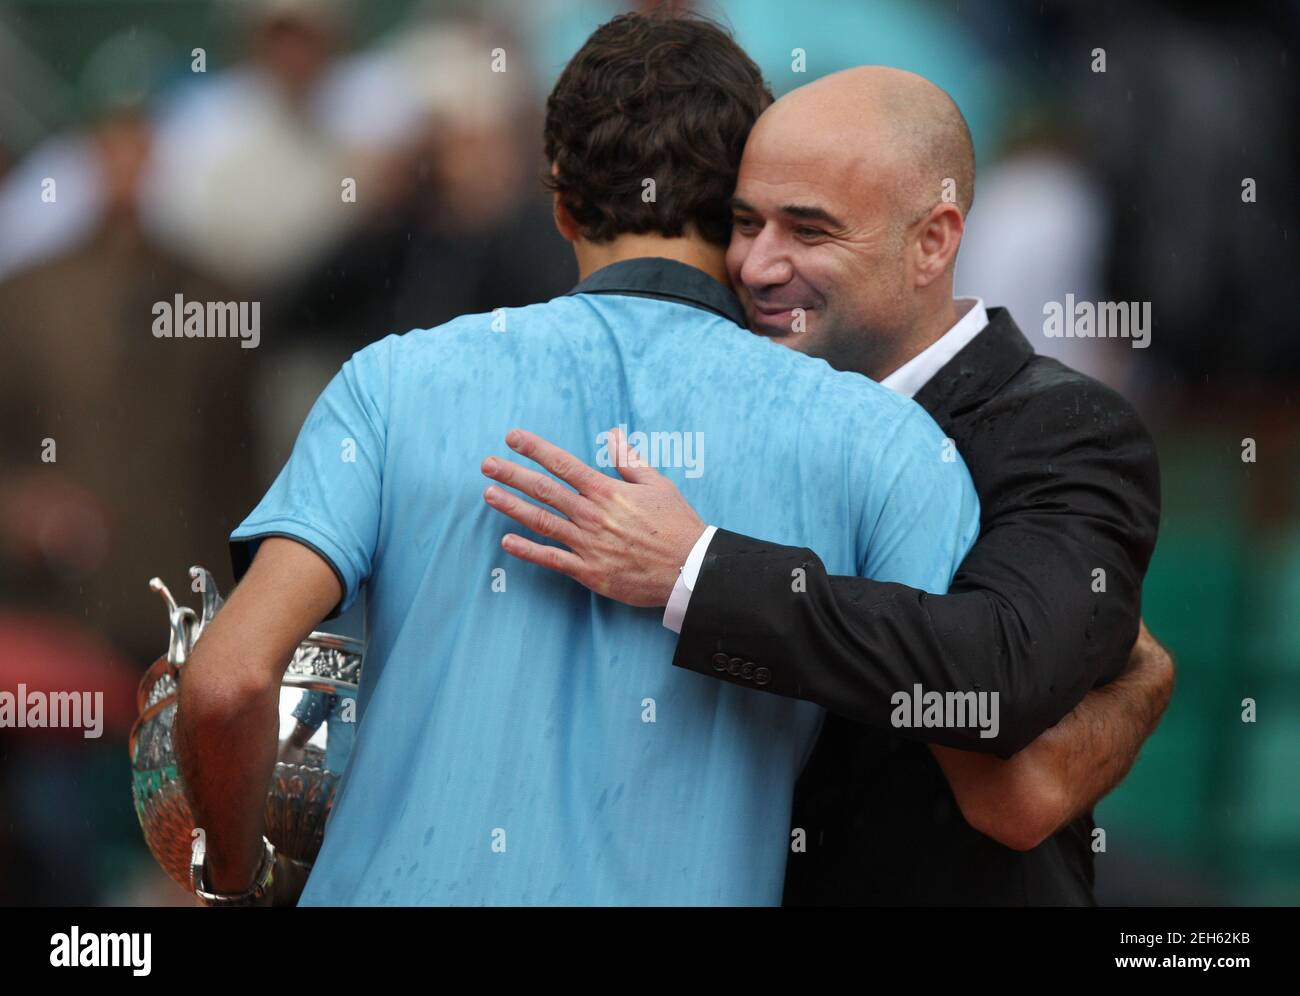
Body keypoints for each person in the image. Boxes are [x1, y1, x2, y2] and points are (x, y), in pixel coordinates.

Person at [173, 12, 979, 906]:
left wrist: (232, 881)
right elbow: (967, 733)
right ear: (739, 207)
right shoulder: (887, 442)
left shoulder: (395, 382)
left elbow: (226, 681)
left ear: (557, 196)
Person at [480, 67, 1170, 904]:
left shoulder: (1065, 430)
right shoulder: (697, 408)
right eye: (744, 224)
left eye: (808, 231)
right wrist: (1135, 691)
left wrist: (697, 570)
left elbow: (993, 688)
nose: (758, 266)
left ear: (933, 240)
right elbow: (1019, 785)